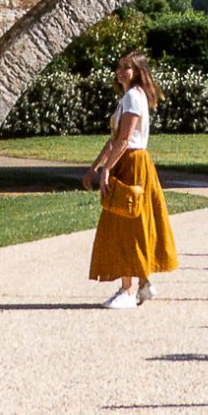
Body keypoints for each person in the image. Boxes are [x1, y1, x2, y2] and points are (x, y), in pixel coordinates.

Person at [84, 49, 179, 307]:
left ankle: (127, 291)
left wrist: (107, 170)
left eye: (127, 67)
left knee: (125, 225)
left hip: (132, 164)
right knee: (133, 223)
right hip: (127, 162)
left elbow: (125, 139)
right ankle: (143, 283)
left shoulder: (133, 97)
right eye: (119, 66)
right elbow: (114, 139)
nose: (121, 71)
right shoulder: (129, 97)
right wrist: (95, 167)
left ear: (137, 71)